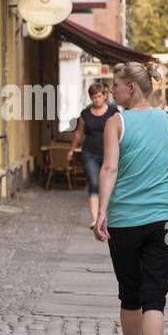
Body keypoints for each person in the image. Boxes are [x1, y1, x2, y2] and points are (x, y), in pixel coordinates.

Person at [94, 61, 168, 335]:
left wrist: (101, 212)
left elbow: (109, 168)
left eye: (116, 85)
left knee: (130, 294)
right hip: (167, 221)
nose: (112, 90)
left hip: (124, 221)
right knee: (155, 296)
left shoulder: (116, 123)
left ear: (131, 87)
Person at [67, 82, 118, 228]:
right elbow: (79, 133)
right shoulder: (85, 114)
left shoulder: (113, 112)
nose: (96, 100)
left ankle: (106, 216)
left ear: (105, 96)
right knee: (94, 183)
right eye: (93, 97)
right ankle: (95, 220)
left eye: (99, 96)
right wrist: (72, 149)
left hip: (109, 153)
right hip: (90, 153)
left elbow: (121, 131)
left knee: (110, 184)